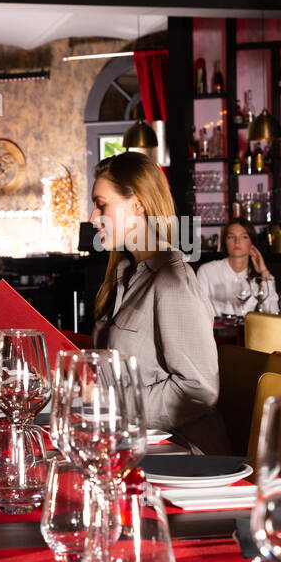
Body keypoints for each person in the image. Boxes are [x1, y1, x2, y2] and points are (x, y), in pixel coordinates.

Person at [89, 152, 227, 456]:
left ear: (138, 204)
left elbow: (198, 391)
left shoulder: (172, 281)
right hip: (131, 442)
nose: (92, 217)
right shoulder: (125, 274)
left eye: (101, 204)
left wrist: (108, 401)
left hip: (178, 453)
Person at [195, 217, 281, 317]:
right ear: (225, 241)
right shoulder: (207, 271)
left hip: (250, 331)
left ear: (252, 243)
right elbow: (199, 313)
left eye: (244, 237)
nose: (237, 241)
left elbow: (273, 313)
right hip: (216, 331)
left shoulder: (259, 277)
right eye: (231, 237)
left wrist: (264, 271)